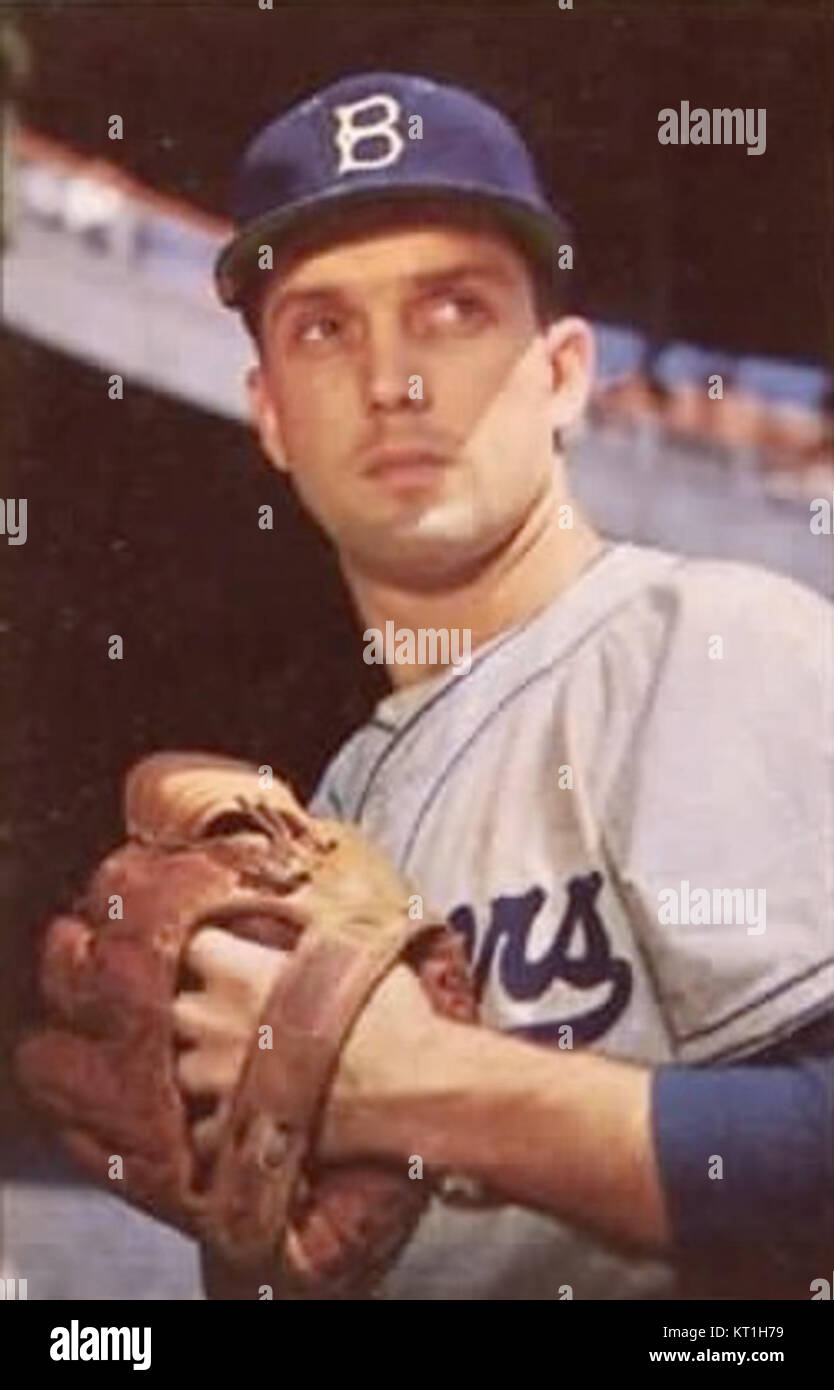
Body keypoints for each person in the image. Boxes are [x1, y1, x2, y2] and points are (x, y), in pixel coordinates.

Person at [173, 72, 834, 1300]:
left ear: (566, 372)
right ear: (268, 411)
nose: (395, 382)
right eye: (324, 327)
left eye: (454, 310)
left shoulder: (702, 647)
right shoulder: (343, 795)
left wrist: (408, 1084)